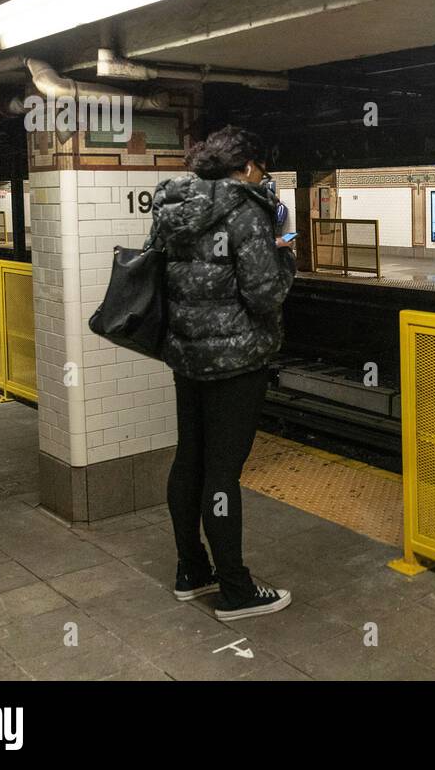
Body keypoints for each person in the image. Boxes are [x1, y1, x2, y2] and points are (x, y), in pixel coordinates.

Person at [148, 125, 298, 621]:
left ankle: (192, 570)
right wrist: (285, 252)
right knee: (222, 474)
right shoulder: (246, 211)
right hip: (236, 361)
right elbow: (264, 294)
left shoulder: (171, 206)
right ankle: (235, 588)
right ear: (249, 166)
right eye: (261, 167)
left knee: (188, 458)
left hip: (187, 356)